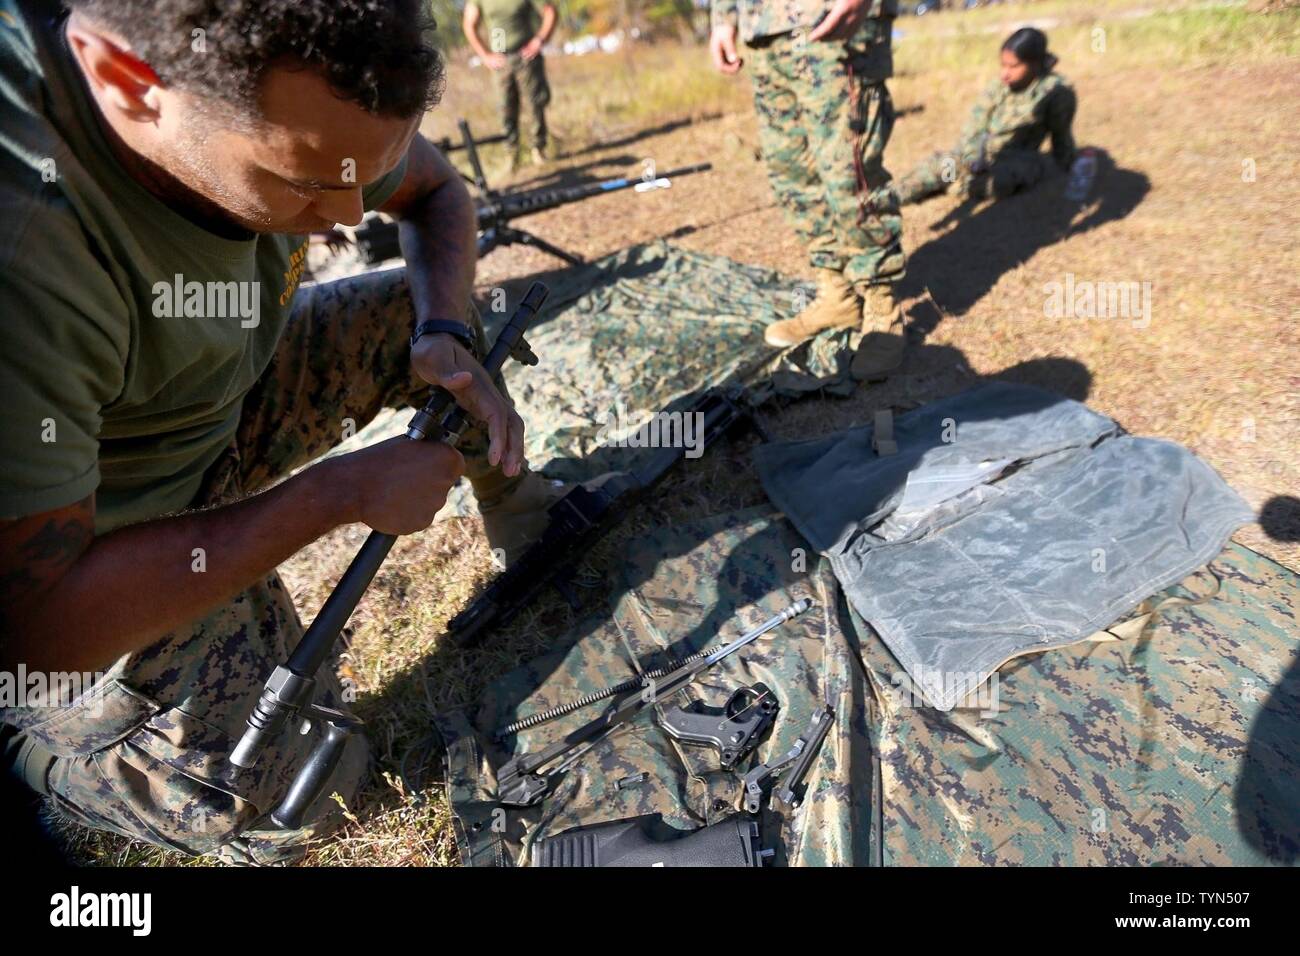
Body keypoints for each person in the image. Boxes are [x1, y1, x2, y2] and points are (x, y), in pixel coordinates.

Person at [0, 0, 559, 864]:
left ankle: (524, 515)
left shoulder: (295, 109)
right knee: (301, 792)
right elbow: (35, 625)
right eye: (302, 183)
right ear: (126, 81)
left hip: (210, 396)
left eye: (359, 177)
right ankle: (41, 746)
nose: (344, 216)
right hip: (78, 551)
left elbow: (436, 191)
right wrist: (333, 496)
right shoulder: (25, 254)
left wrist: (442, 329)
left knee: (433, 318)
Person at [710, 0, 906, 380]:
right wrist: (724, 17)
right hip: (764, 32)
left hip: (832, 21)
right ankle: (837, 294)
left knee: (850, 172)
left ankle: (882, 306)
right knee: (794, 175)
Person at [894, 28, 1077, 206]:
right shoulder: (999, 86)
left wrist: (1068, 168)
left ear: (1035, 63)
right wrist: (972, 158)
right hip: (975, 157)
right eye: (1003, 65)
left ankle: (954, 186)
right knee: (943, 165)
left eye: (1013, 66)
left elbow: (1061, 137)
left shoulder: (1055, 92)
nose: (1004, 73)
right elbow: (974, 127)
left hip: (1014, 161)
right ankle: (886, 199)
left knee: (1002, 181)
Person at [462, 0, 557, 169]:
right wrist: (485, 56)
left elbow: (550, 12)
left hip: (526, 56)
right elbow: (469, 25)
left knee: (535, 103)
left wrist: (539, 40)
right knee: (505, 107)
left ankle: (538, 149)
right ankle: (512, 155)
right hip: (500, 59)